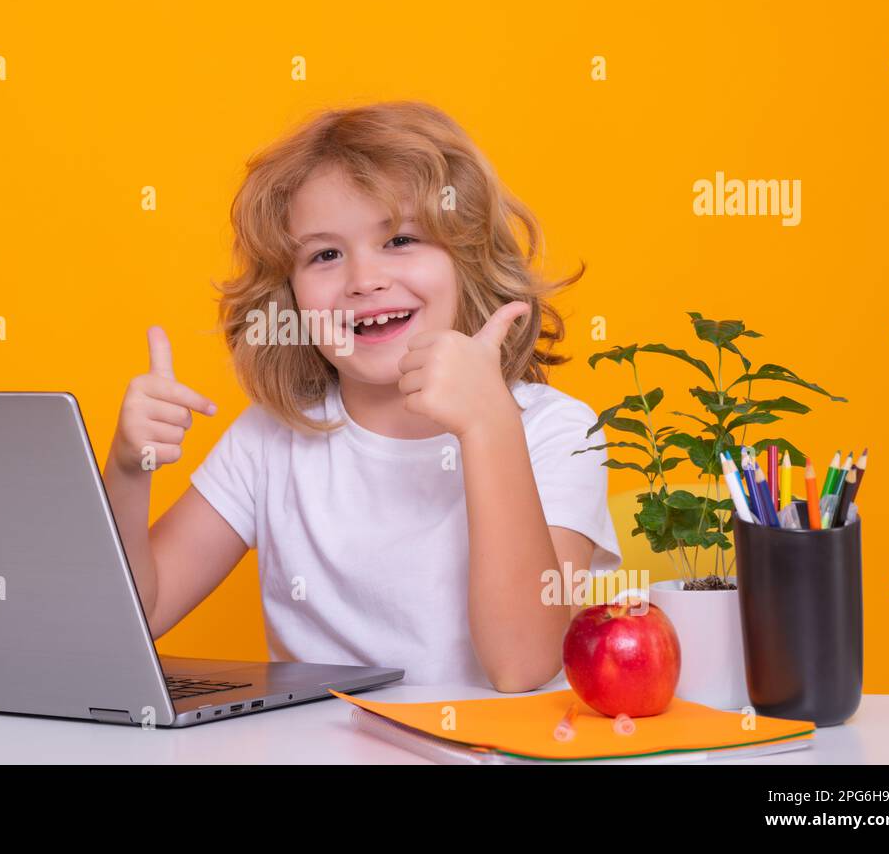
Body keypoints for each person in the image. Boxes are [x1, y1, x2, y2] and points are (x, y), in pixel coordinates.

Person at [103, 100, 620, 690]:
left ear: (466, 260)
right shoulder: (271, 438)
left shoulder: (557, 432)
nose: (364, 280)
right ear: (289, 297)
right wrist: (126, 468)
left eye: (400, 239)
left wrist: (488, 429)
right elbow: (135, 617)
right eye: (325, 254)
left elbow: (523, 664)